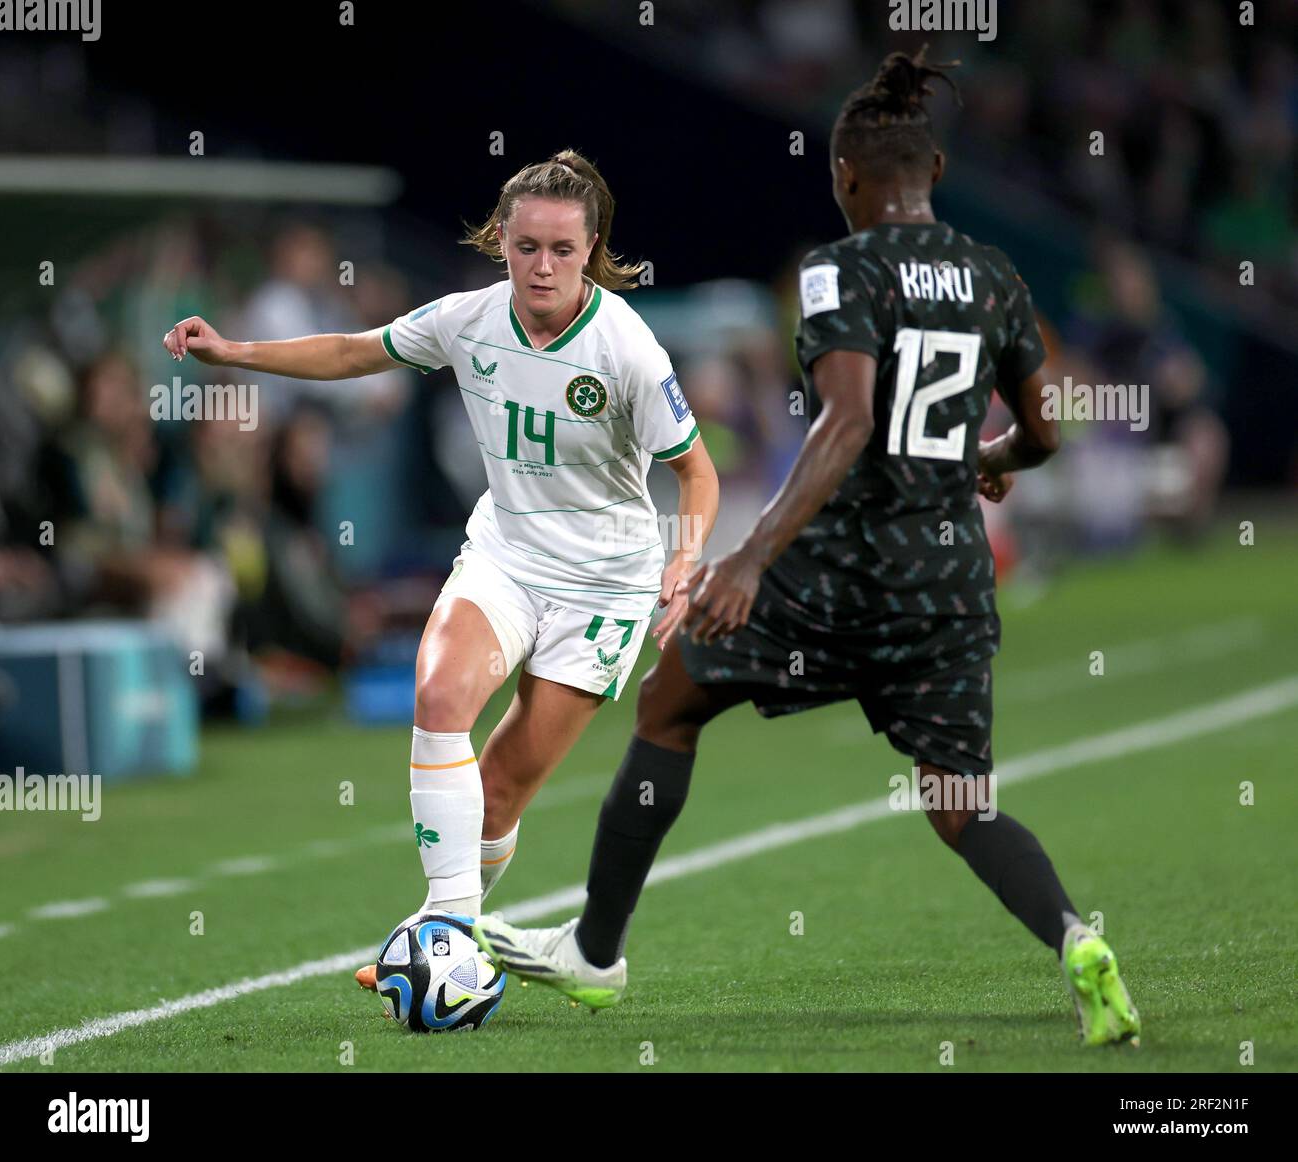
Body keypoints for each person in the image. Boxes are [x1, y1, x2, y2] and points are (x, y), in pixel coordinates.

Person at [474, 54, 1141, 1048]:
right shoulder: (996, 276)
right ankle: (1075, 937)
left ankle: (597, 951)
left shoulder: (839, 267)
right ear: (938, 169)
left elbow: (844, 421)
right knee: (961, 803)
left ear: (843, 176)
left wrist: (745, 559)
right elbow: (1044, 433)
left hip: (839, 572)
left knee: (670, 696)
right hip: (950, 583)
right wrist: (985, 457)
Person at [163, 150, 720, 995]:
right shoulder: (468, 318)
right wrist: (234, 351)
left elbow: (698, 472)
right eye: (526, 246)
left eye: (562, 251)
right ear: (501, 240)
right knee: (437, 698)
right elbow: (355, 354)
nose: (543, 266)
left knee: (499, 794)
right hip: (504, 554)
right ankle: (447, 932)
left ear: (591, 247)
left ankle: (441, 930)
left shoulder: (626, 348)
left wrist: (685, 556)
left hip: (604, 586)